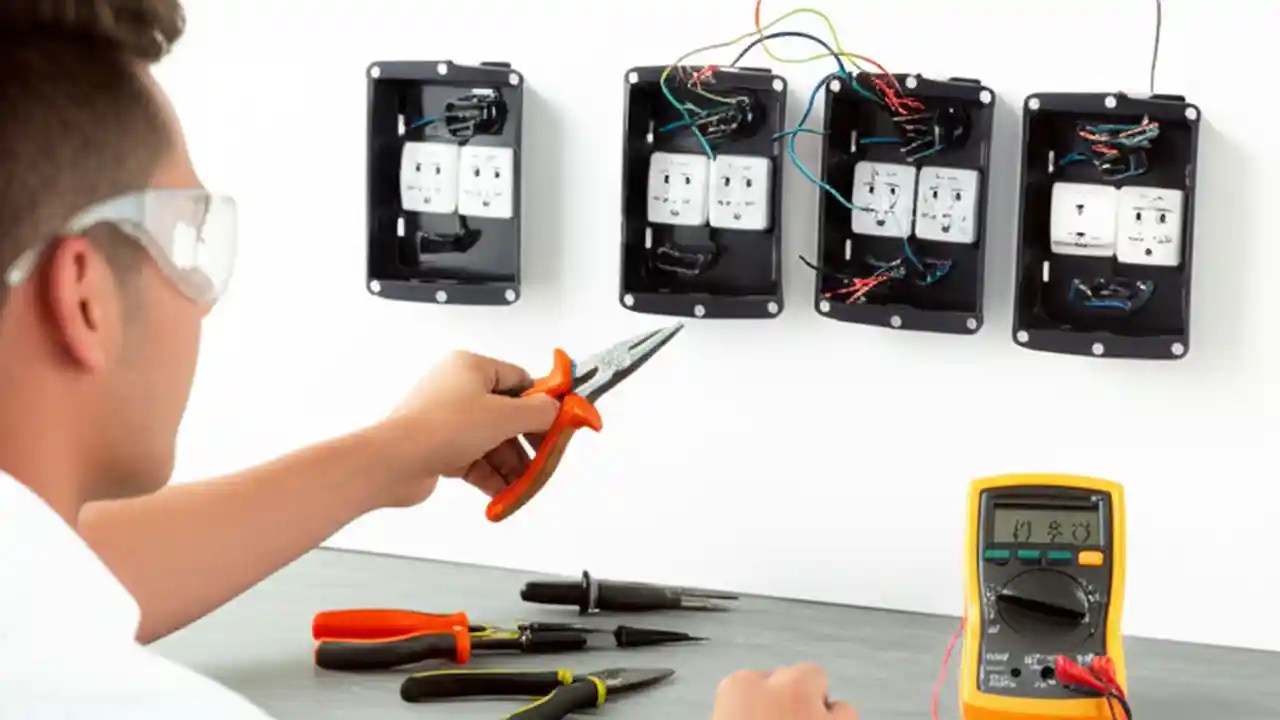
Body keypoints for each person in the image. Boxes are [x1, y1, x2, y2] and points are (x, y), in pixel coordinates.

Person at [0, 2, 854, 718]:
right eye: (192, 240)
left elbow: (74, 574)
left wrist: (398, 453)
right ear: (85, 298)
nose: (206, 298)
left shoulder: (33, 599)